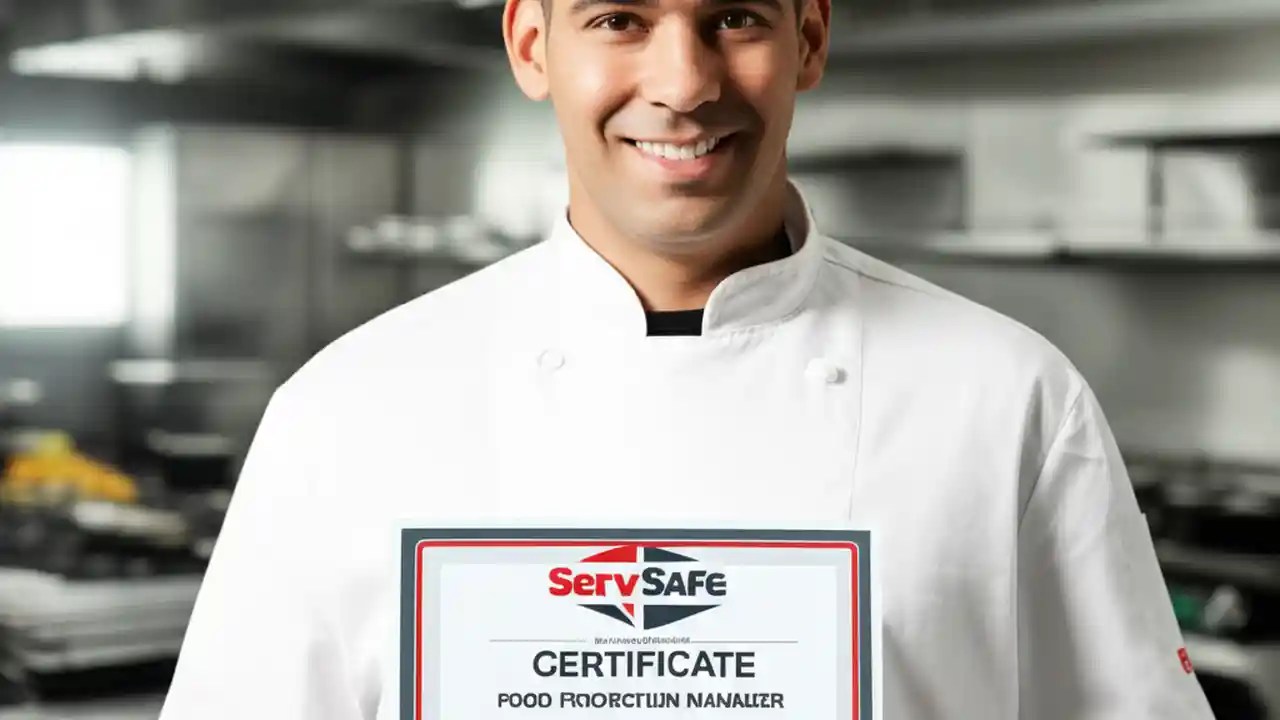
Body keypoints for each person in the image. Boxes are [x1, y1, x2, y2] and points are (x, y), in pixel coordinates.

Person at [158, 0, 1216, 717]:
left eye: (734, 19)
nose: (683, 81)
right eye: (620, 18)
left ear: (807, 39)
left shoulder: (1006, 394)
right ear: (531, 45)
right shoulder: (349, 408)